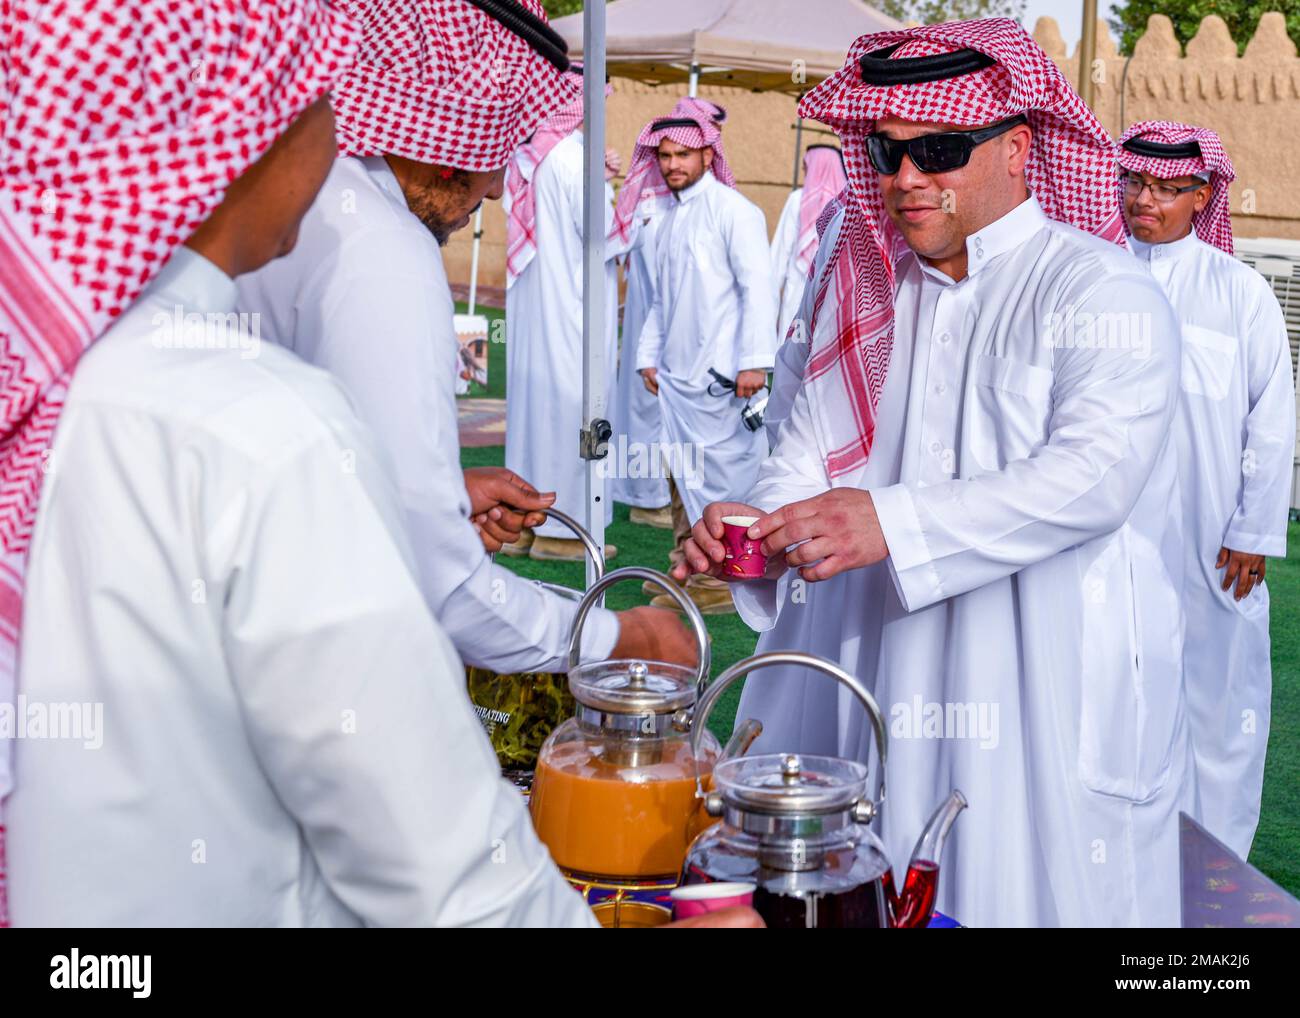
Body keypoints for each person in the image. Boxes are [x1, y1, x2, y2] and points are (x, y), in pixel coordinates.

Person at [3, 0, 750, 930]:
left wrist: (417, 488)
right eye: (319, 100)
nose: (340, 131)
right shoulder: (265, 413)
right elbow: (445, 870)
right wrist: (614, 638)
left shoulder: (77, 358)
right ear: (253, 119)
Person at [676, 20, 1194, 927]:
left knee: (1022, 889)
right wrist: (755, 525)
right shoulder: (864, 279)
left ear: (1021, 150)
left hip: (1037, 673)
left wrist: (890, 522)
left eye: (939, 150)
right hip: (867, 654)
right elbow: (805, 446)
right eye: (888, 150)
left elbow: (1096, 476)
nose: (906, 178)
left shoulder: (1098, 289)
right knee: (857, 884)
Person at [237, 0, 694, 675]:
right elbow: (437, 584)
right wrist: (623, 638)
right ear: (456, 153)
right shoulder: (386, 249)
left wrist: (439, 486)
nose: (495, 193)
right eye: (492, 167)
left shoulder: (309, 196)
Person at [1119, 120, 1295, 860]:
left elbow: (1273, 415)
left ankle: (1215, 856)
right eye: (1133, 182)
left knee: (1218, 698)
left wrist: (1255, 530)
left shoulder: (1239, 292)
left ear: (1202, 197)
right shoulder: (1091, 274)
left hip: (1211, 534)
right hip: (1112, 531)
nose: (1144, 200)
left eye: (1164, 188)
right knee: (1115, 686)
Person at [614, 99, 778, 614]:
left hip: (724, 380)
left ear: (709, 153)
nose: (671, 165)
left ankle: (728, 580)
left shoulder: (736, 213)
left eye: (683, 154)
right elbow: (660, 300)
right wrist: (646, 357)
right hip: (676, 381)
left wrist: (753, 362)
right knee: (682, 475)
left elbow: (758, 289)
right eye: (663, 156)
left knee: (727, 477)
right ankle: (689, 568)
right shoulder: (668, 220)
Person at [502, 76, 621, 562]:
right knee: (577, 414)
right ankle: (563, 535)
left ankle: (523, 527)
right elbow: (607, 238)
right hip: (575, 315)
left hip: (535, 316)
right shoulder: (577, 161)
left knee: (534, 417)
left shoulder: (531, 158)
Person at [610, 178, 672, 529]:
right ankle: (648, 502)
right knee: (651, 416)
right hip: (657, 334)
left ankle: (646, 495)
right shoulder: (656, 211)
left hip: (647, 328)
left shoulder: (651, 207)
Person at [769, 145, 848, 342]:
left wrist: (769, 309)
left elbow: (779, 257)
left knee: (793, 358)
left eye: (807, 168)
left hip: (798, 294)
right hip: (831, 297)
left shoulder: (798, 199)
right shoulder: (847, 204)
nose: (806, 173)